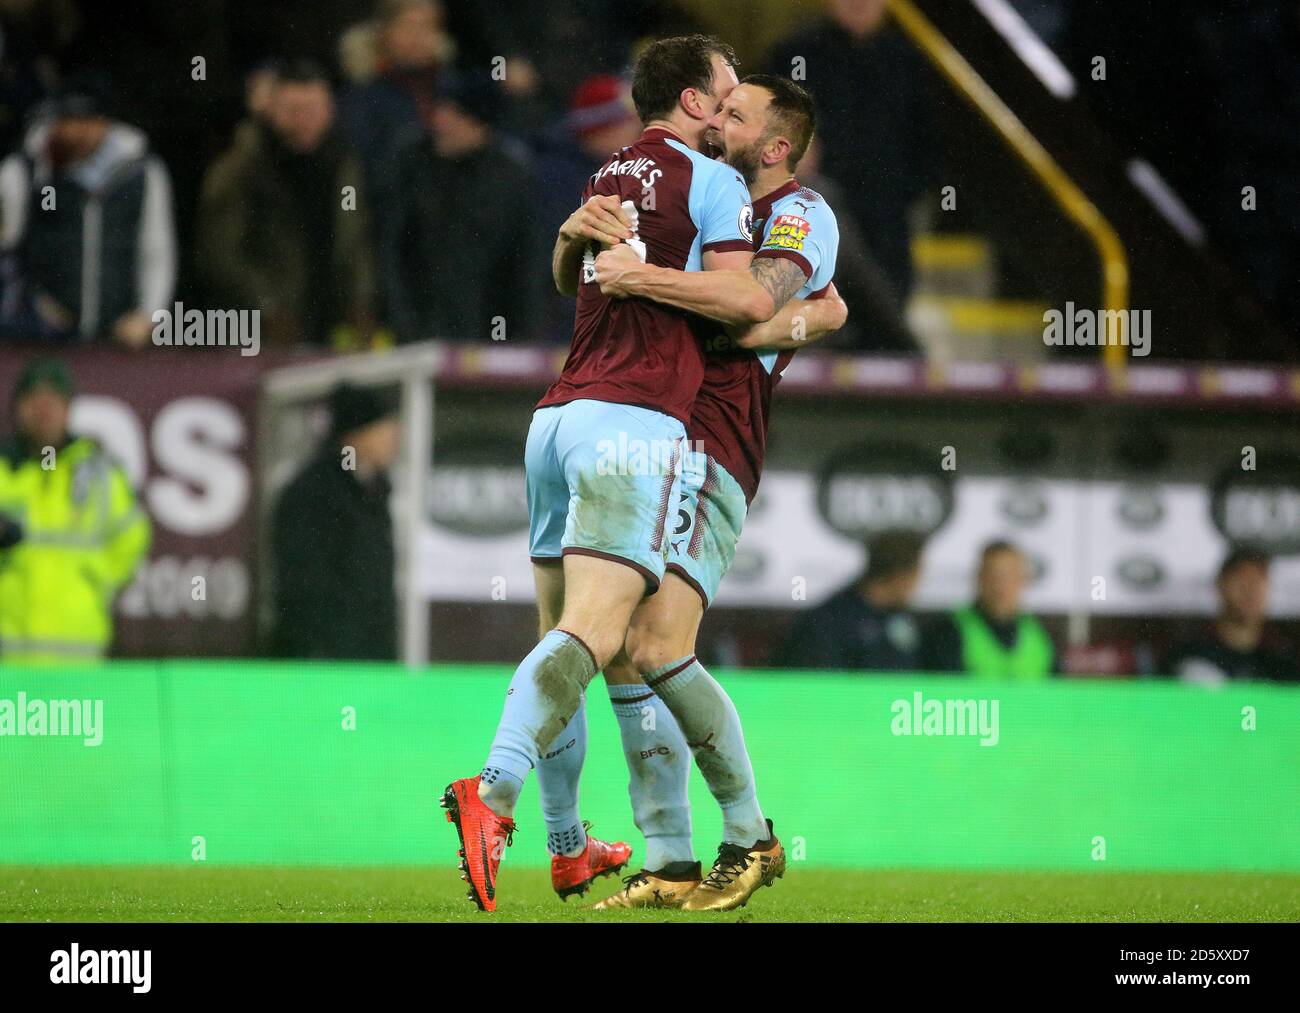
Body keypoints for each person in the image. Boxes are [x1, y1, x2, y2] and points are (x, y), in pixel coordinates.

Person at [440, 34, 765, 914]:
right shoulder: (715, 181)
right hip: (631, 424)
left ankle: (568, 844)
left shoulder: (609, 175)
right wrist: (665, 277)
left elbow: (578, 278)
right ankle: (493, 793)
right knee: (593, 633)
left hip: (554, 420)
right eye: (727, 95)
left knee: (570, 638)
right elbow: (746, 300)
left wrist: (576, 243)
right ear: (693, 103)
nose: (734, 111)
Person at [572, 73, 846, 911]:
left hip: (710, 441)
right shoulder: (699, 196)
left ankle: (750, 834)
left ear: (773, 147)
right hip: (643, 430)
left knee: (658, 644)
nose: (713, 119)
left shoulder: (795, 213)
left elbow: (756, 304)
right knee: (617, 645)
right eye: (713, 106)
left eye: (733, 113)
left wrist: (643, 281)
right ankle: (671, 858)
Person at [196, 60, 374, 347]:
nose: (304, 120)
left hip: (329, 325)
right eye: (294, 111)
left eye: (313, 110)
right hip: (261, 331)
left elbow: (354, 237)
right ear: (273, 111)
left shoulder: (344, 168)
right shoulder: (241, 167)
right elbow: (219, 252)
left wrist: (360, 299)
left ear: (330, 111)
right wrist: (267, 306)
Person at [0, 81, 176, 346]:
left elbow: (156, 249)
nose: (74, 134)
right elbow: (6, 251)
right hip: (38, 335)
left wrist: (149, 315)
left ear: (104, 123)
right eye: (66, 121)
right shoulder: (24, 170)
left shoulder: (141, 172)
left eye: (85, 123)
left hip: (117, 338)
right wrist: (32, 306)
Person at [0, 358, 150, 664]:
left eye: (53, 400)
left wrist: (94, 578)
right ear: (17, 407)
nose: (44, 410)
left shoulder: (98, 473)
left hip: (78, 661)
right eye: (34, 399)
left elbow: (132, 537)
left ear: (68, 409)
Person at [271, 384, 400, 661]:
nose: (394, 437)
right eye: (383, 428)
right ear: (356, 435)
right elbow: (304, 585)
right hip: (323, 664)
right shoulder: (312, 492)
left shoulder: (375, 488)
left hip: (371, 660)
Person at [774, 530, 925, 671]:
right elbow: (815, 681)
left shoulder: (901, 618)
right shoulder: (829, 621)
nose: (918, 583)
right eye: (916, 574)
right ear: (900, 575)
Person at [923, 540, 1055, 680]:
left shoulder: (1040, 635)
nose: (1000, 585)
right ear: (979, 578)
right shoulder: (949, 632)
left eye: (1009, 576)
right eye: (993, 575)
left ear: (1023, 580)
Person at [1165, 547, 1298, 684]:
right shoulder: (1190, 656)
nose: (1250, 591)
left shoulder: (1282, 660)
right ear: (1220, 585)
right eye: (1242, 580)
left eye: (1258, 580)